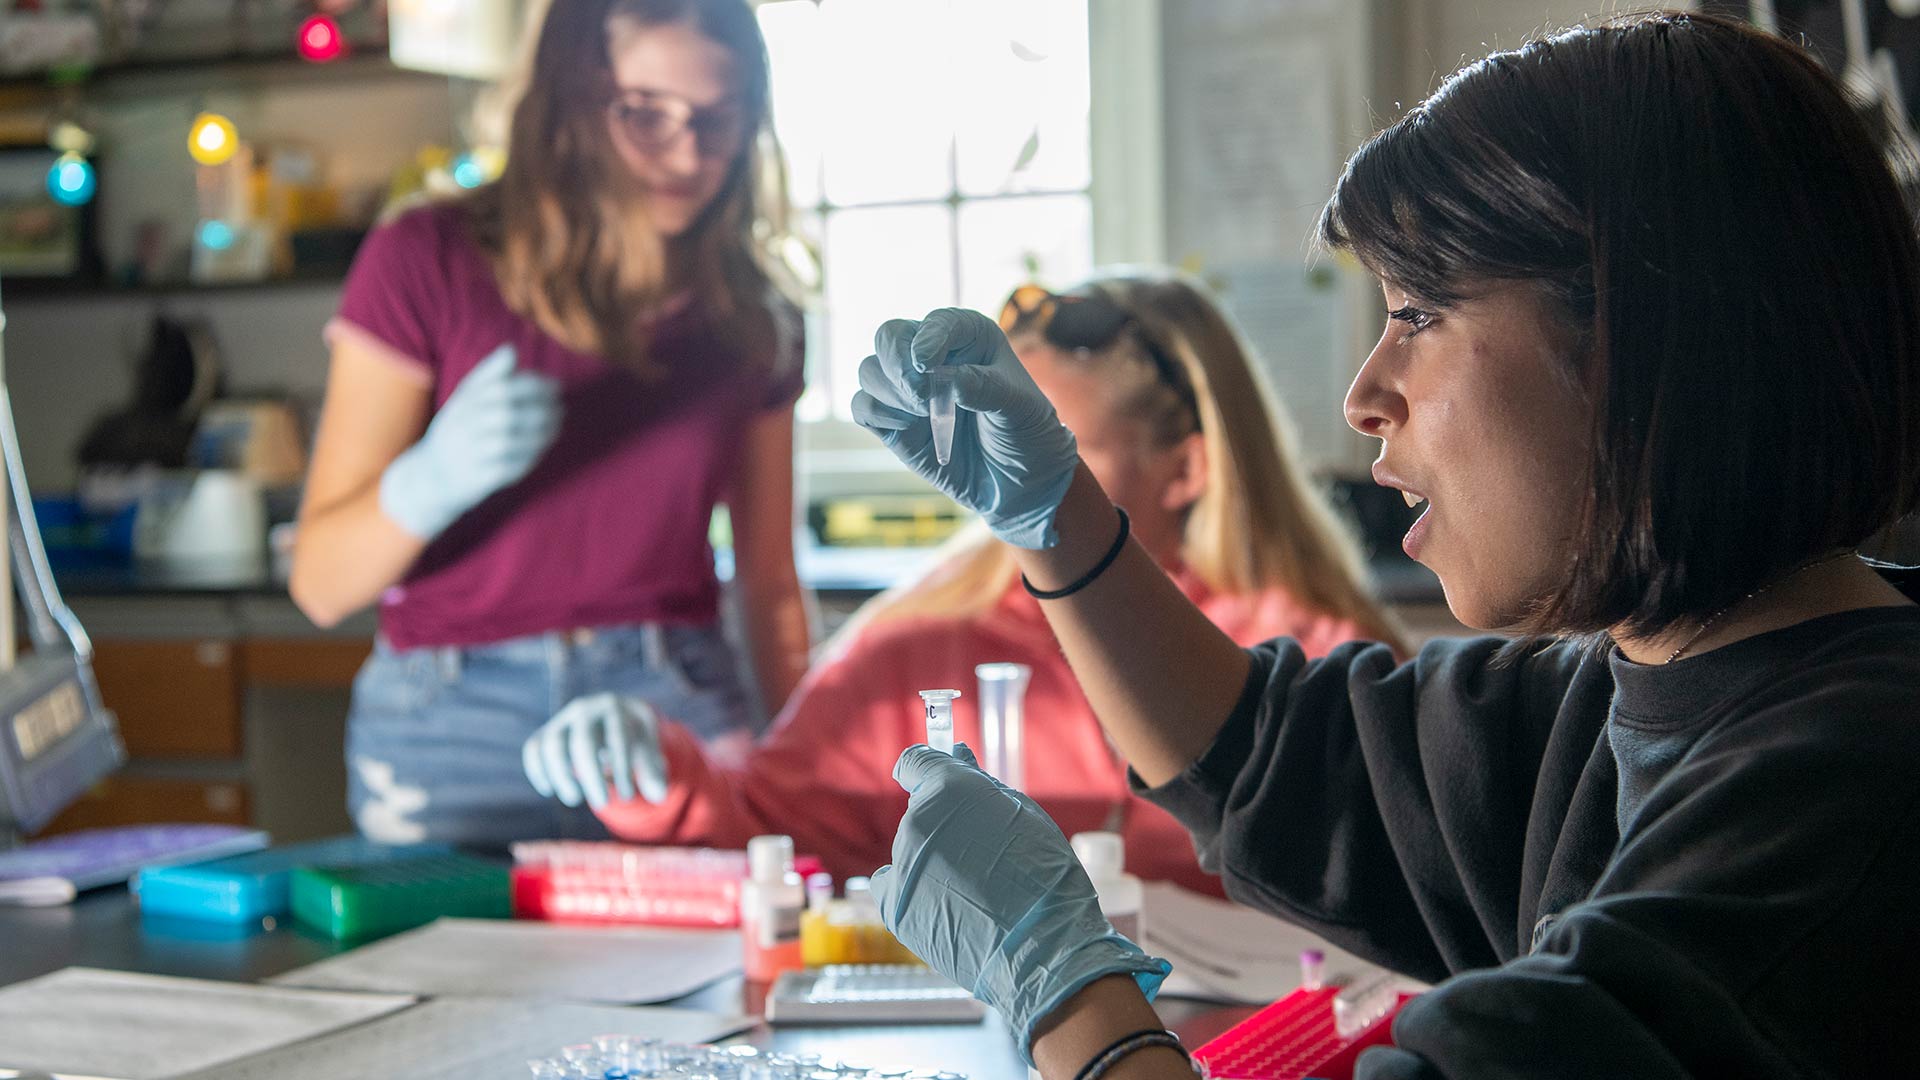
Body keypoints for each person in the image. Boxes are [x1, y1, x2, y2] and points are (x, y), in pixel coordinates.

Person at [853, 13, 1920, 1079]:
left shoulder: (1838, 824)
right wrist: (1059, 519)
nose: (1364, 395)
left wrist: (1066, 993)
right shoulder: (1639, 688)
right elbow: (1263, 760)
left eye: (1416, 313)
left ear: (1646, 335)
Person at [520, 270, 1406, 894]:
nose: (1010, 460)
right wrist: (655, 775)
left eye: (1061, 441)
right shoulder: (917, 648)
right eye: (1001, 428)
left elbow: (1409, 890)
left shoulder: (1321, 660)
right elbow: (771, 834)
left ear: (1187, 468)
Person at [289, 0, 812, 846]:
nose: (687, 153)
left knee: (712, 976)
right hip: (449, 717)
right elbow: (321, 583)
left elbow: (769, 584)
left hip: (669, 701)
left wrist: (802, 763)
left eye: (718, 119)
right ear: (569, 100)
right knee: (453, 977)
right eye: (644, 114)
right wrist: (430, 480)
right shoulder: (428, 259)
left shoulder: (753, 313)